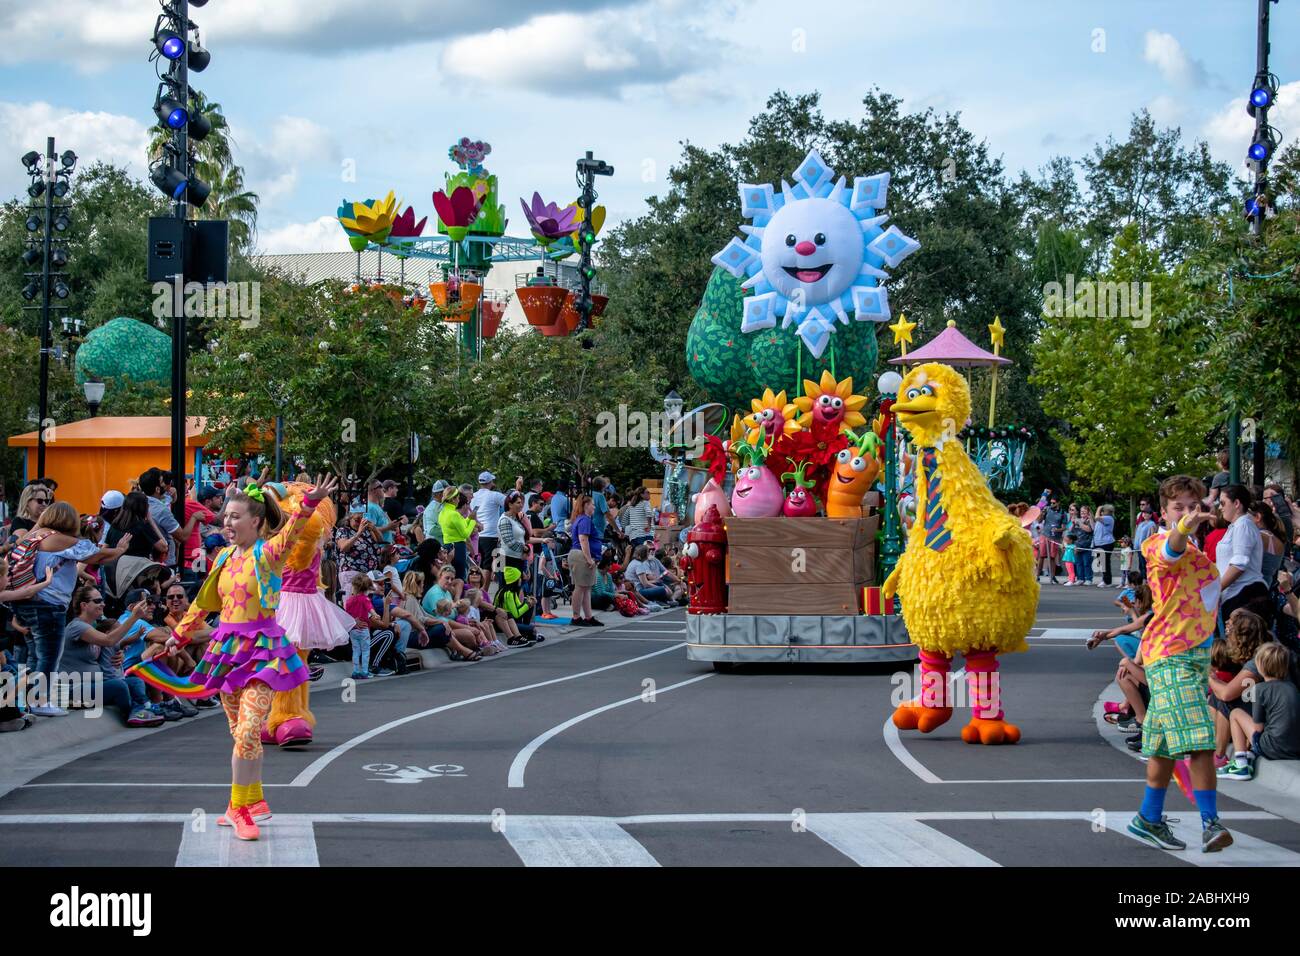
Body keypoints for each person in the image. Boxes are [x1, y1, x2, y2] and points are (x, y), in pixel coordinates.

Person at [132, 475, 338, 842]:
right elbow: (202, 603)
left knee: (248, 731)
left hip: (263, 653)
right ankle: (253, 798)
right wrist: (178, 638)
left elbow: (292, 532)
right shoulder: (223, 557)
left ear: (256, 522)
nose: (226, 522)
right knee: (241, 736)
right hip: (226, 652)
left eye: (235, 516)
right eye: (225, 516)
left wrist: (309, 504)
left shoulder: (269, 553)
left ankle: (236, 808)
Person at [1125, 475, 1232, 854]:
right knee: (1201, 738)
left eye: (1192, 506)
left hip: (1192, 658)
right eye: (1178, 507)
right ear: (1164, 512)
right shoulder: (1158, 544)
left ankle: (1147, 819)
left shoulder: (1199, 555)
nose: (1186, 513)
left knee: (1164, 747)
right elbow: (1171, 548)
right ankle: (1210, 824)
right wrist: (1185, 527)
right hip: (1170, 657)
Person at [10, 502, 131, 716]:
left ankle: (24, 702)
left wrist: (39, 522)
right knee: (48, 655)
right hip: (48, 603)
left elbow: (16, 543)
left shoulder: (34, 535)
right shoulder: (60, 539)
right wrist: (120, 550)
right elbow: (96, 556)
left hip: (25, 602)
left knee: (32, 655)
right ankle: (40, 702)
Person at [63, 588, 162, 726]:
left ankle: (144, 709)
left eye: (102, 600)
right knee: (118, 686)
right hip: (73, 690)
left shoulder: (92, 626)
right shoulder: (77, 627)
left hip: (94, 684)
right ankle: (136, 712)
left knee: (135, 682)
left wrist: (120, 652)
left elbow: (110, 645)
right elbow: (109, 640)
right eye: (97, 601)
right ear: (83, 605)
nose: (103, 604)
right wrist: (134, 617)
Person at [1208, 609, 1271, 778]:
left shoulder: (1259, 660)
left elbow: (1227, 694)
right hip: (1267, 717)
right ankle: (1215, 750)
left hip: (1271, 726)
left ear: (1243, 637)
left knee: (1227, 700)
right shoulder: (1265, 647)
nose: (1228, 637)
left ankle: (1219, 756)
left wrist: (1209, 677)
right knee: (1216, 696)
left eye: (1231, 632)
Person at [1231, 642, 1300, 768]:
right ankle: (1250, 754)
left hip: (1272, 748)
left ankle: (1240, 764)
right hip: (1294, 749)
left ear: (1260, 666)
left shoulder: (1259, 689)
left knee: (1235, 713)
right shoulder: (1292, 687)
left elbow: (1258, 728)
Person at [1216, 485, 1271, 627]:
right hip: (1237, 595)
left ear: (1236, 503)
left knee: (1243, 646)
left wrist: (1215, 589)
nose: (1220, 508)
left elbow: (1239, 564)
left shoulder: (1243, 525)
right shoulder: (1237, 525)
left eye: (1223, 503)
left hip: (1244, 595)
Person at [400, 571, 478, 661]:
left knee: (442, 628)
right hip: (411, 637)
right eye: (422, 583)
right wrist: (441, 622)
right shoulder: (410, 599)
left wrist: (443, 623)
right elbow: (419, 620)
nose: (423, 585)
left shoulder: (413, 598)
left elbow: (426, 615)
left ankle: (462, 651)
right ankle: (464, 651)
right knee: (441, 629)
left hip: (419, 633)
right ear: (416, 585)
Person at [343, 575, 396, 680]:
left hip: (353, 632)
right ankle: (368, 669)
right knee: (386, 636)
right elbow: (382, 623)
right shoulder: (366, 599)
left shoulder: (349, 600)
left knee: (356, 651)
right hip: (363, 630)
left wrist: (353, 621)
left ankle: (356, 671)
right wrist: (383, 608)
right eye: (378, 583)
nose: (382, 586)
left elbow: (346, 615)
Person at [334, 510, 383, 598]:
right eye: (357, 520)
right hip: (351, 573)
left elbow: (380, 540)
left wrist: (374, 528)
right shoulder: (343, 531)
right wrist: (359, 533)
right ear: (349, 519)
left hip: (367, 576)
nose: (360, 523)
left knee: (365, 606)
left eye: (362, 520)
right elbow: (343, 547)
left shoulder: (367, 531)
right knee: (353, 604)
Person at [568, 494, 601, 627]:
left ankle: (588, 616)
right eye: (592, 504)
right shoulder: (585, 520)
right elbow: (583, 539)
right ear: (586, 505)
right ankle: (576, 617)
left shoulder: (581, 519)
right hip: (581, 556)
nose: (594, 506)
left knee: (586, 588)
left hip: (581, 555)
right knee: (580, 587)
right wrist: (588, 558)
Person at [471, 472, 506, 576]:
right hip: (490, 535)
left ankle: (477, 589)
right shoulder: (494, 495)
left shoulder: (473, 495)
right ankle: (484, 591)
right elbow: (511, 502)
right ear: (491, 482)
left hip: (475, 534)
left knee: (476, 564)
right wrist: (518, 488)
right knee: (488, 565)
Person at [441, 488, 478, 581]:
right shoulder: (454, 514)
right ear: (453, 499)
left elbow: (461, 526)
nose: (459, 500)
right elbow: (465, 533)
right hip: (458, 547)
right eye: (457, 497)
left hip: (448, 545)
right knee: (460, 577)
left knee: (452, 575)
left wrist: (469, 519)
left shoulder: (443, 512)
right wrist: (473, 520)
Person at [1249, 501, 1286, 590]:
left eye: (1245, 516)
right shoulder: (1278, 540)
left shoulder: (1258, 536)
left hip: (1252, 589)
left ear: (1257, 517)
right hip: (1266, 587)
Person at [1094, 504, 1116, 586]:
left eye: (1103, 510)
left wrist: (1098, 508)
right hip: (1099, 543)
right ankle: (1105, 579)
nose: (1101, 512)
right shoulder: (1102, 519)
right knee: (1101, 563)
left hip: (1106, 543)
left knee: (1105, 562)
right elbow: (1095, 520)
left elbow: (1096, 517)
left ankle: (1107, 581)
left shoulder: (1109, 518)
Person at [1133, 503, 1158, 578]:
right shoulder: (1141, 523)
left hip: (1145, 548)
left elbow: (1152, 536)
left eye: (1147, 513)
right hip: (1138, 547)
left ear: (1150, 515)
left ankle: (1146, 580)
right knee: (1140, 564)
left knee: (1144, 564)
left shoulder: (1152, 524)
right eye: (1143, 513)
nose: (1144, 515)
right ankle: (1143, 579)